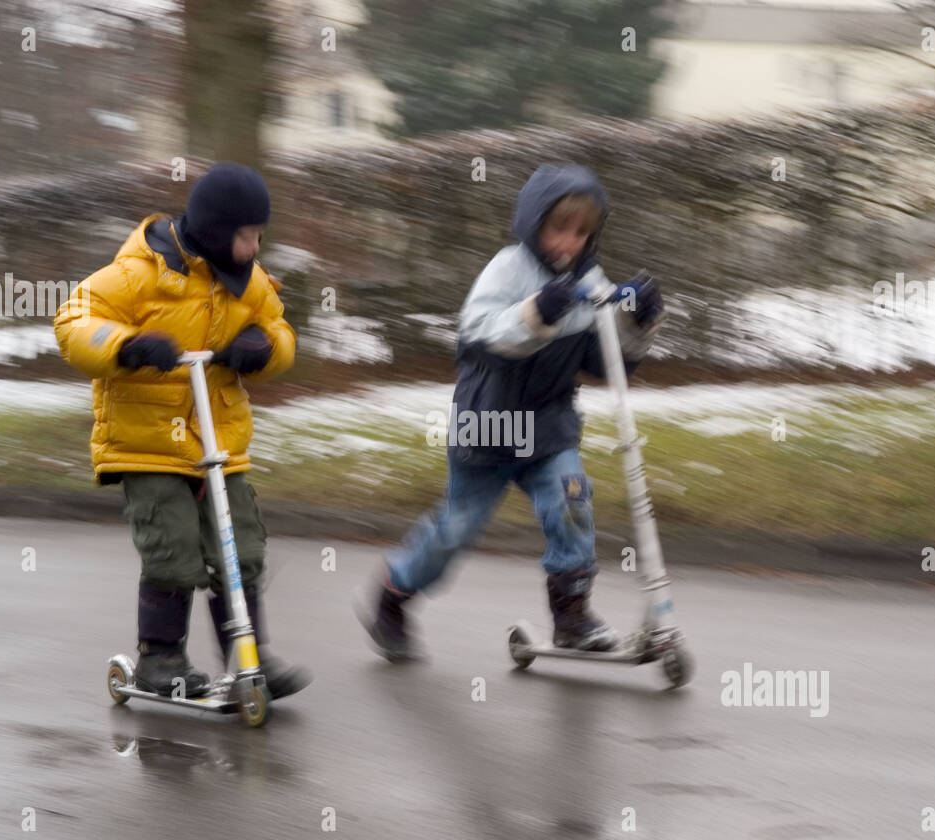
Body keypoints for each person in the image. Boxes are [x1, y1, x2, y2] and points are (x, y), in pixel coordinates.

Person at [359, 163, 665, 661]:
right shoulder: (507, 267)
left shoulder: (589, 279)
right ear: (533, 223)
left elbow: (605, 361)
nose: (569, 242)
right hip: (489, 423)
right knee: (457, 528)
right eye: (558, 228)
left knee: (571, 501)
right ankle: (395, 592)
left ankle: (572, 615)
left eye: (581, 232)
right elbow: (479, 334)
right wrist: (536, 312)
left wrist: (636, 323)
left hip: (548, 425)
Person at [54, 162, 312, 698]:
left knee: (240, 547)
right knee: (171, 548)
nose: (256, 248)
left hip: (219, 442)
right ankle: (160, 658)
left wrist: (263, 349)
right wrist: (126, 346)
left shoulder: (251, 285)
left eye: (260, 235)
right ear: (217, 232)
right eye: (248, 236)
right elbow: (75, 319)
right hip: (147, 444)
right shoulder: (139, 273)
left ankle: (250, 656)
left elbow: (280, 330)